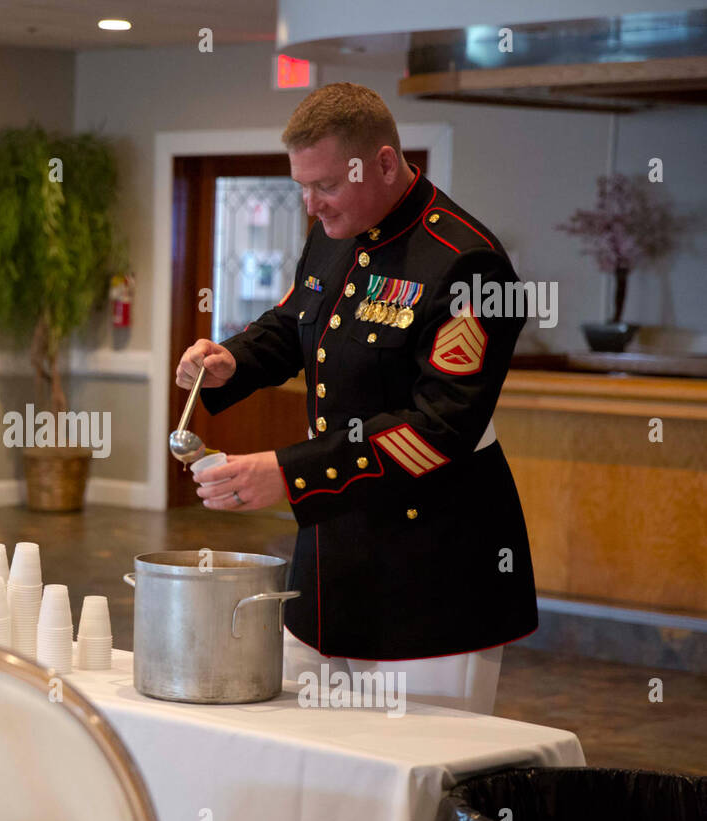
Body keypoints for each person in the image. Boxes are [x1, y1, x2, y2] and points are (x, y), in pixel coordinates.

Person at [176, 83, 536, 714]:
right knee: (313, 760)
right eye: (302, 187)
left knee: (421, 778)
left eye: (327, 186)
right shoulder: (335, 231)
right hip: (332, 556)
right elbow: (295, 321)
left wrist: (289, 474)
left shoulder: (466, 263)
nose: (312, 205)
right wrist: (233, 358)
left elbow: (436, 429)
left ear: (386, 163)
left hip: (435, 576)